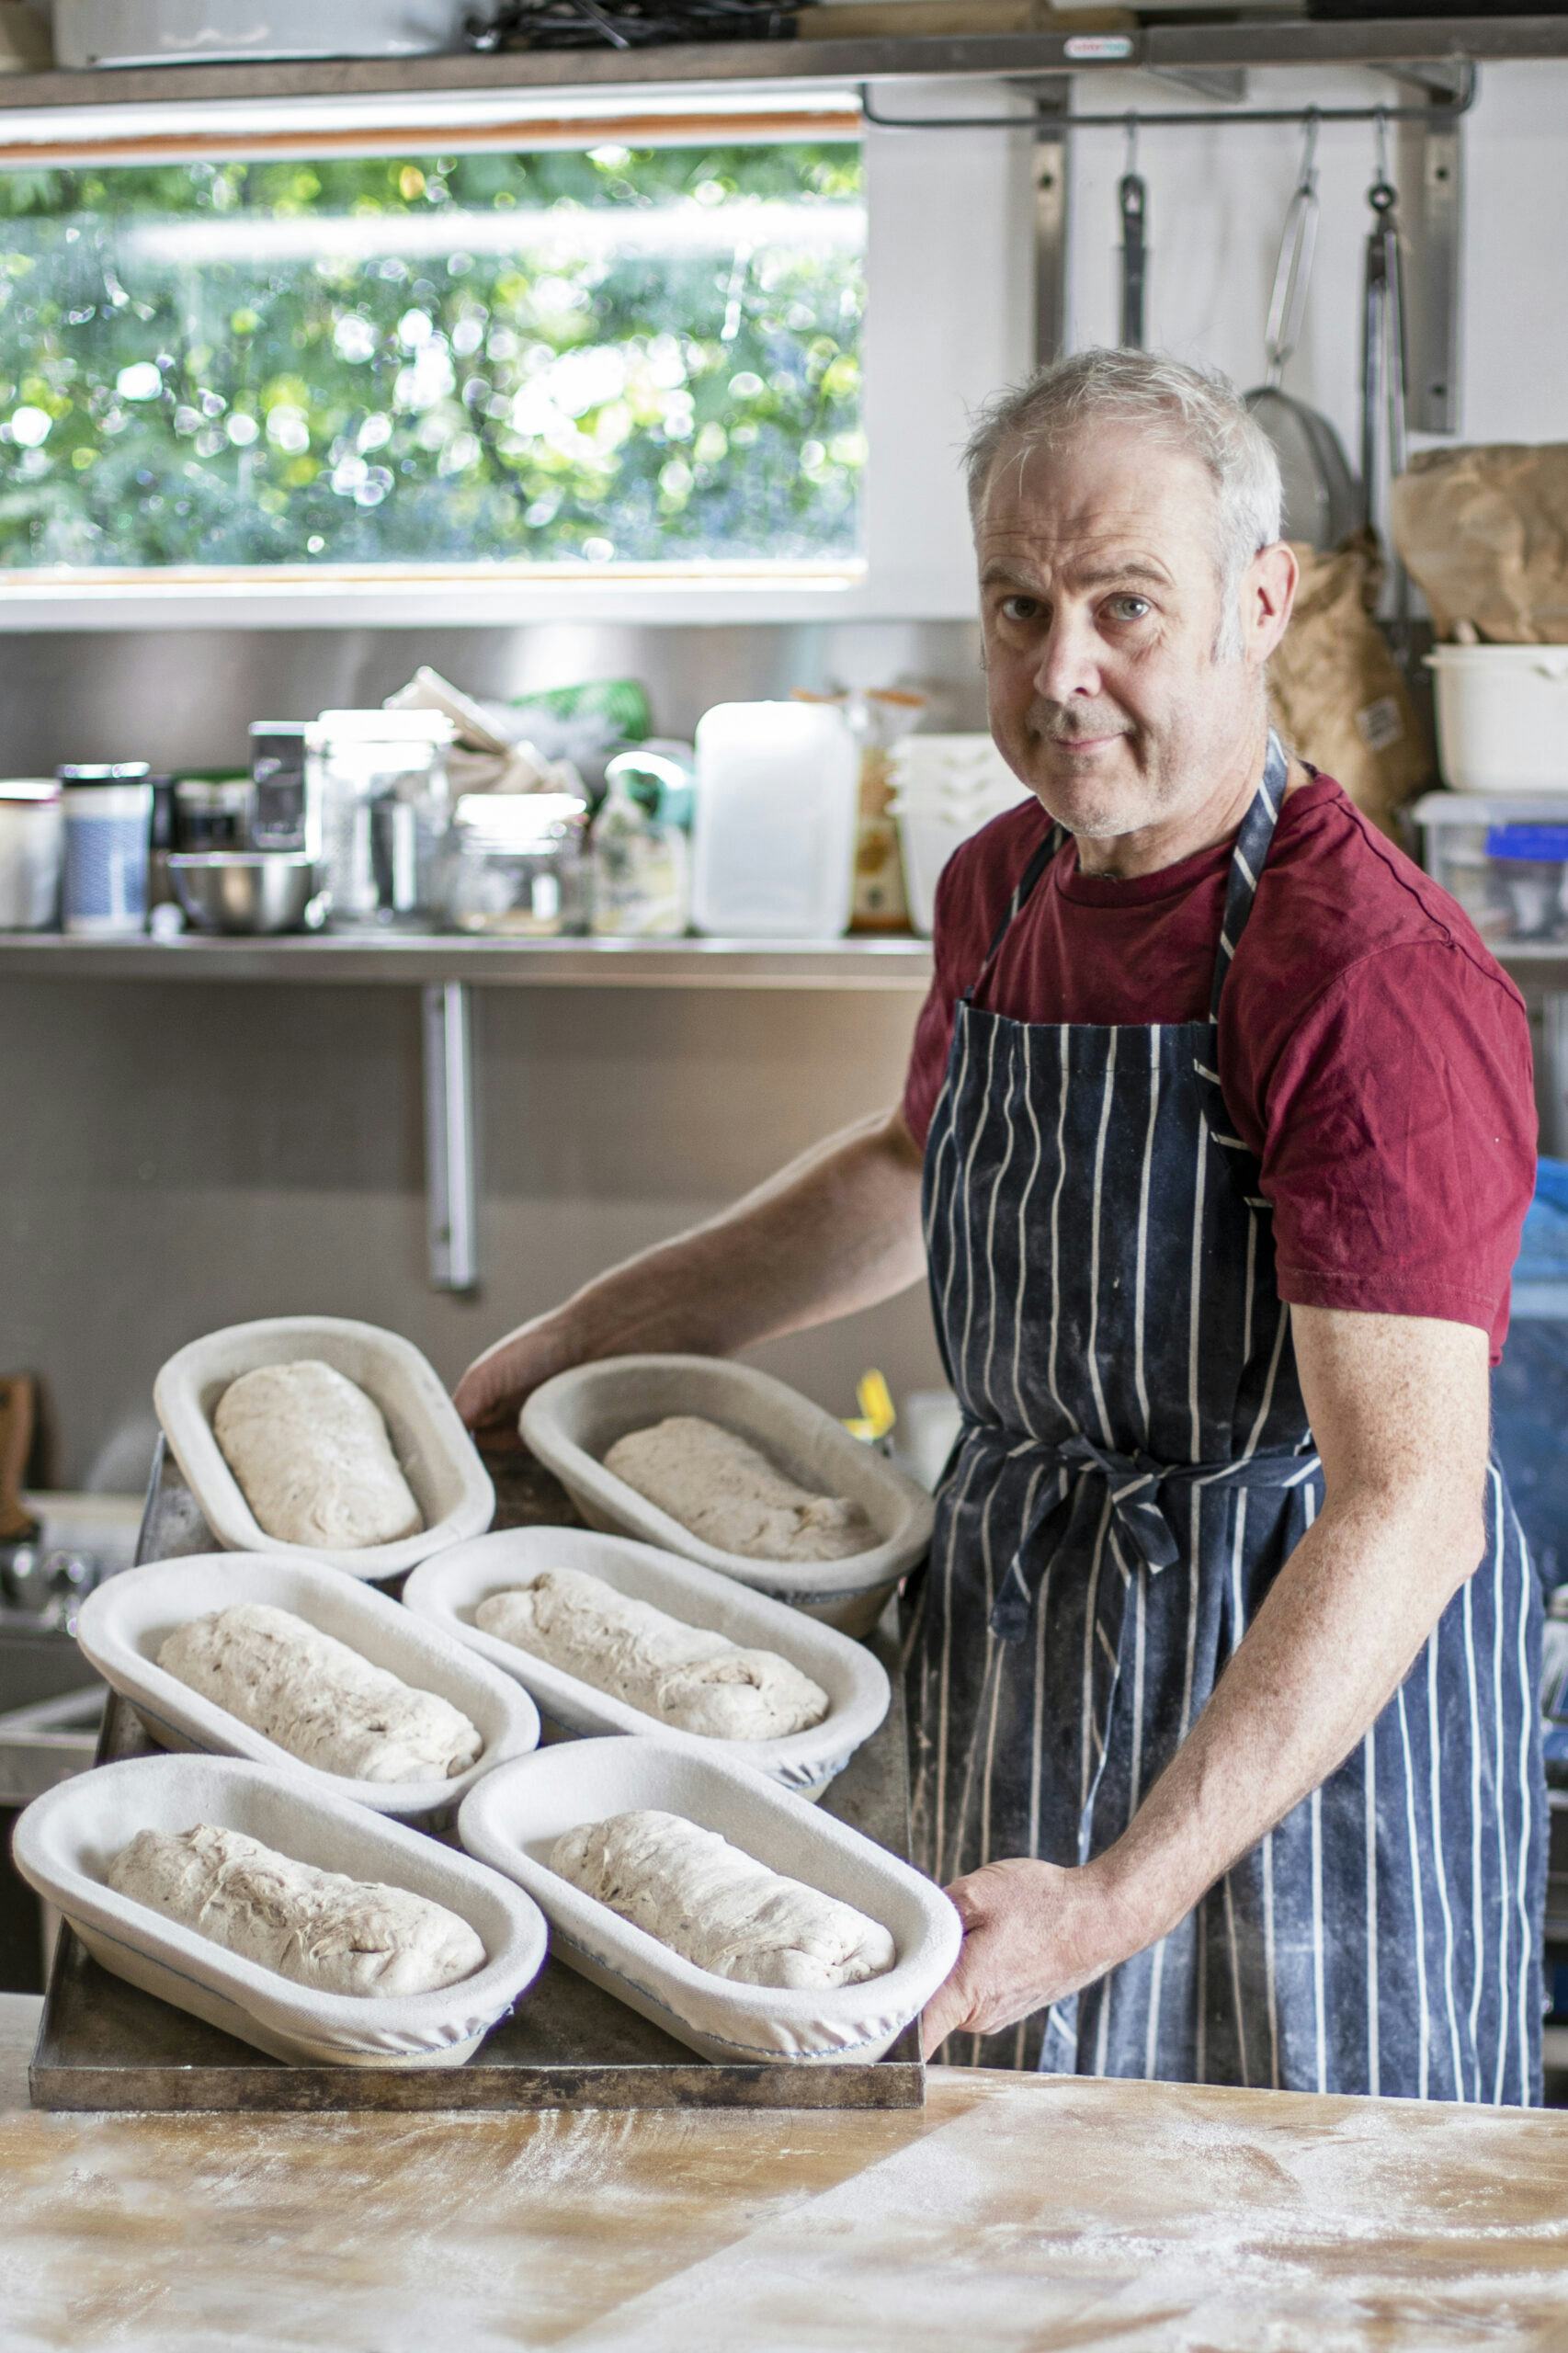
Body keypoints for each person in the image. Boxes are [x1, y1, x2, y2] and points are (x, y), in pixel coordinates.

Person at [458, 350, 1543, 2103]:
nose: (1063, 675)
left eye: (1126, 605)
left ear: (1259, 602)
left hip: (1295, 1728)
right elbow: (910, 1167)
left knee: (1293, 2235)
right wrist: (579, 1344)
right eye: (1017, 606)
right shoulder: (1009, 877)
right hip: (1030, 1655)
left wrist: (1119, 1895)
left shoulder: (1361, 977)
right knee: (1003, 2212)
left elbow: (1406, 1511)